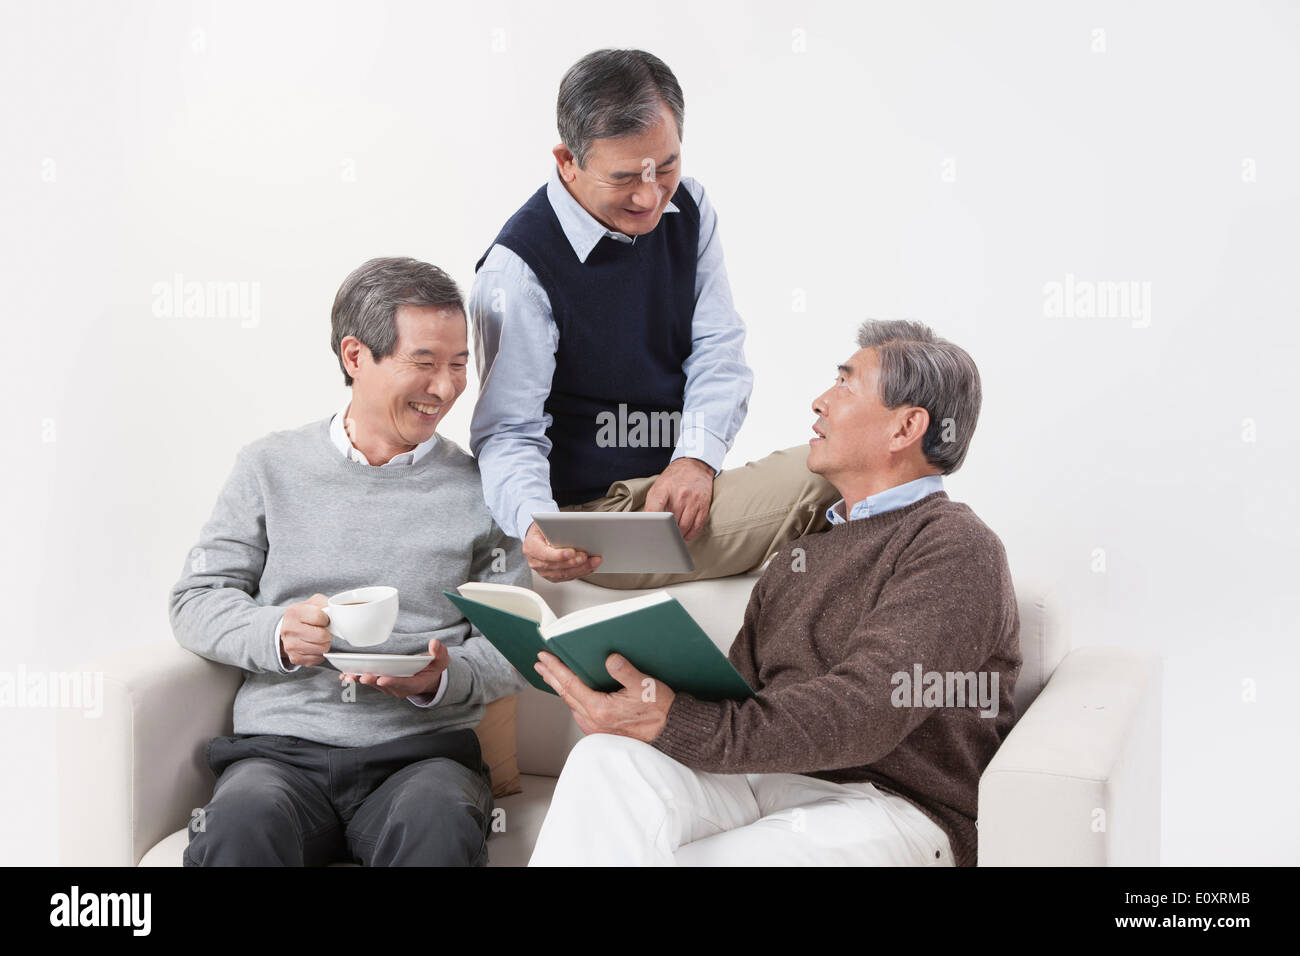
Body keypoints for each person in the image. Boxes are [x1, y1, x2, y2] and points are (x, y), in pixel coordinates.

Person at [527, 320, 1021, 866]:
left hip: (892, 807)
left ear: (906, 427)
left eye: (845, 384)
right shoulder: (802, 552)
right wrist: (640, 701)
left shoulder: (956, 546)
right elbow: (743, 698)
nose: (819, 401)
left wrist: (678, 721)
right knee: (607, 760)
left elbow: (868, 711)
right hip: (766, 779)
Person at [170, 257, 530, 866]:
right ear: (356, 356)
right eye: (424, 363)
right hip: (278, 753)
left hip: (424, 756)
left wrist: (438, 678)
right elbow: (196, 599)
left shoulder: (483, 489)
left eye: (458, 363)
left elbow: (516, 642)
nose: (445, 388)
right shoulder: (268, 467)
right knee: (238, 827)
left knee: (439, 825)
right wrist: (277, 633)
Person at [469, 48, 838, 590]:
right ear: (567, 160)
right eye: (624, 179)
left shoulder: (688, 207)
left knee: (856, 462)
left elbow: (717, 347)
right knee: (837, 477)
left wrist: (694, 460)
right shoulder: (516, 270)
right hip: (595, 518)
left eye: (664, 168)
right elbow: (509, 430)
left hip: (671, 483)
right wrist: (534, 525)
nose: (650, 196)